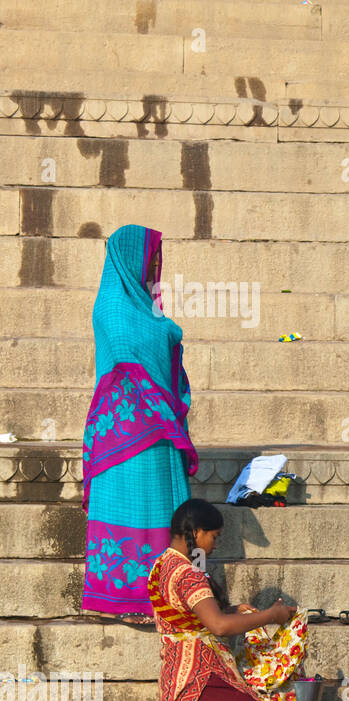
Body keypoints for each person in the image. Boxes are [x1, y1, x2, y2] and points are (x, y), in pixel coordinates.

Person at [82, 225, 198, 624]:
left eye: (155, 257)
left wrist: (168, 330)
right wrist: (168, 331)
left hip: (159, 432)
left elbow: (162, 348)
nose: (153, 265)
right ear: (129, 258)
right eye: (148, 257)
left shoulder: (149, 309)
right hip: (125, 435)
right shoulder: (112, 307)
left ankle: (165, 593)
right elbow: (128, 364)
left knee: (160, 509)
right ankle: (125, 598)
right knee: (129, 508)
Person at [137, 499, 308, 701]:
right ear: (196, 533)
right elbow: (217, 626)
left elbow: (192, 615)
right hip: (200, 677)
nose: (215, 545)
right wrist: (270, 616)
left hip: (177, 675)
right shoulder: (188, 575)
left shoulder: (162, 564)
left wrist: (232, 609)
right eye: (214, 537)